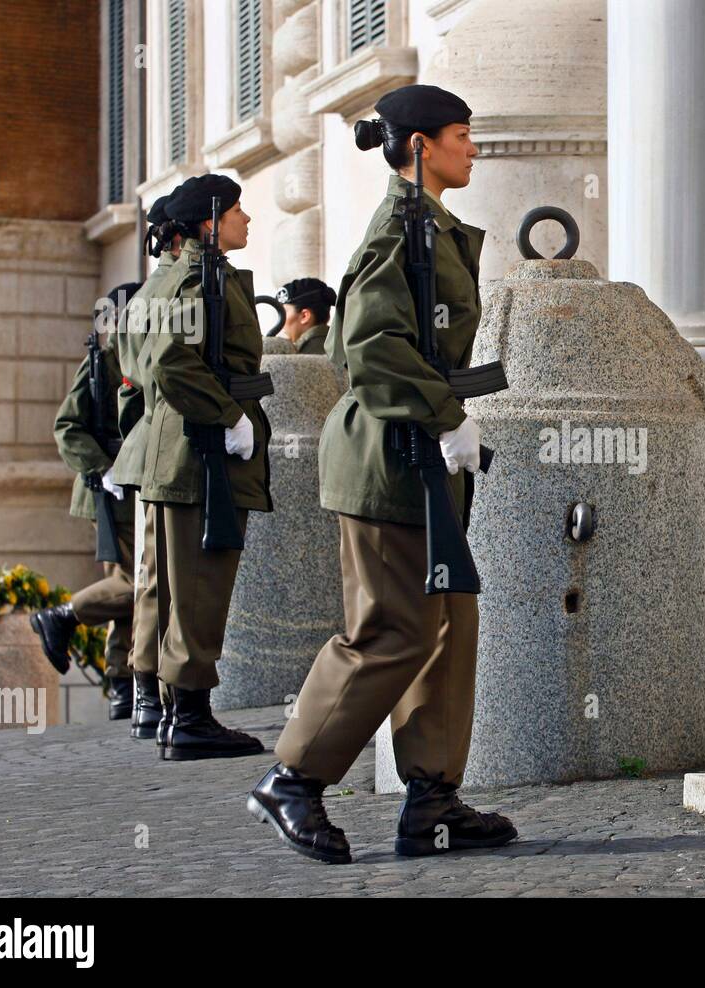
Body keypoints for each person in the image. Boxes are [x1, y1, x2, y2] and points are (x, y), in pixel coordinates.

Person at [247, 84, 517, 864]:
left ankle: (431, 802)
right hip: (389, 458)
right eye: (462, 135)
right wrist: (447, 415)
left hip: (422, 457)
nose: (472, 148)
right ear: (422, 146)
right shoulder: (398, 231)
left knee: (444, 627)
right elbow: (364, 350)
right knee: (391, 631)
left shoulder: (429, 227)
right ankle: (293, 778)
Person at [139, 173, 273, 761]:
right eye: (239, 211)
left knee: (189, 587)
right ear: (209, 222)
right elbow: (173, 361)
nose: (248, 221)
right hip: (199, 453)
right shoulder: (199, 276)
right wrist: (227, 418)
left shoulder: (201, 274)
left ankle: (181, 715)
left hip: (190, 449)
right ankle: (189, 719)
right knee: (200, 588)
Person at [31, 281, 143, 720]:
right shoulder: (105, 360)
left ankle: (121, 683)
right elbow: (67, 426)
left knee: (127, 592)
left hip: (129, 484)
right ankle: (61, 616)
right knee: (137, 585)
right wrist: (103, 468)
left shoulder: (133, 354)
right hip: (109, 488)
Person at [113, 191, 183, 743]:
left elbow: (128, 387)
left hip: (145, 438)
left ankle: (147, 696)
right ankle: (150, 693)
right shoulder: (169, 289)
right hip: (167, 439)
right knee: (161, 578)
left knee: (152, 576)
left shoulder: (140, 296)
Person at [275, 278, 337, 355]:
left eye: (283, 313)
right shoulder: (337, 346)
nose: (279, 321)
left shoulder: (298, 356)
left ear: (304, 316)